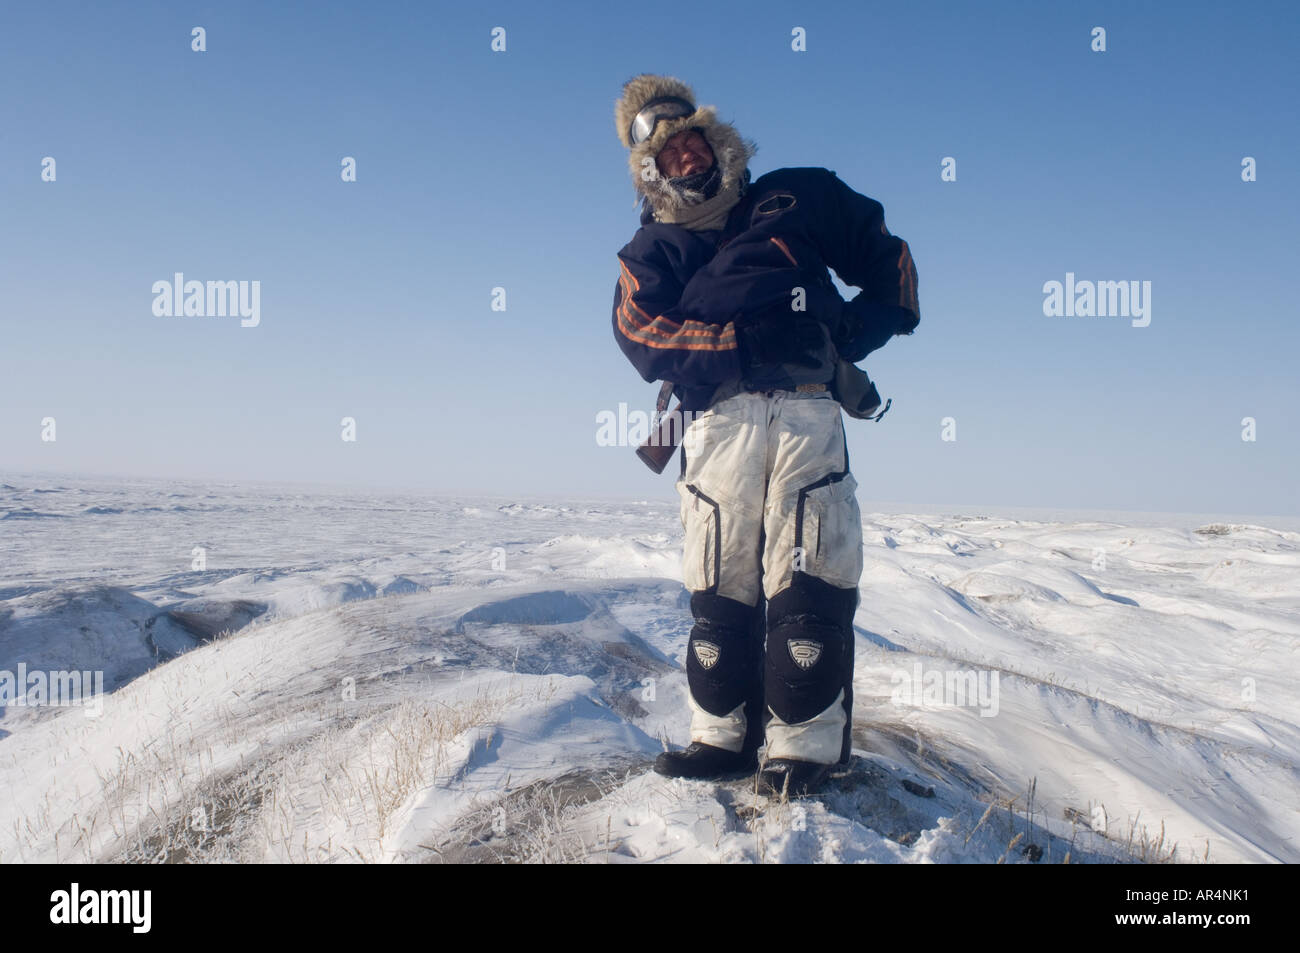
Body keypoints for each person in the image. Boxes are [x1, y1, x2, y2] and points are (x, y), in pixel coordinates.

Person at [611, 75, 920, 795]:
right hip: (717, 421)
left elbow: (891, 268)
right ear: (649, 172)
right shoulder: (649, 250)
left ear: (712, 140)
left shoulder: (797, 197)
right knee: (719, 578)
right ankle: (718, 739)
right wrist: (744, 347)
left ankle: (804, 749)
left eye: (691, 141)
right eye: (666, 154)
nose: (685, 158)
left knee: (808, 569)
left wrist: (846, 331)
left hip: (809, 409)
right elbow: (640, 332)